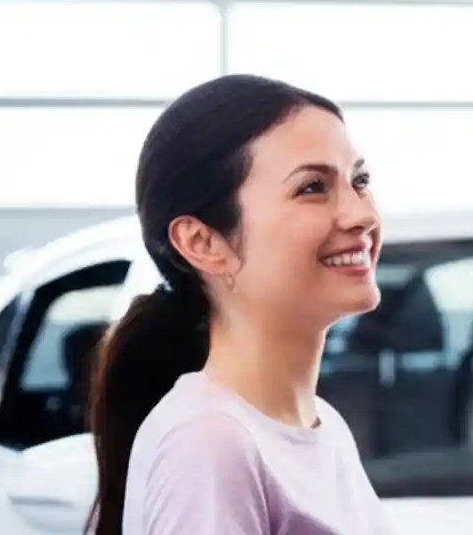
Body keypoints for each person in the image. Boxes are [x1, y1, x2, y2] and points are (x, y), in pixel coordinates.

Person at [84, 75, 392, 534]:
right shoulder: (209, 444)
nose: (362, 214)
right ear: (203, 241)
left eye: (360, 180)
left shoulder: (322, 426)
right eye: (312, 188)